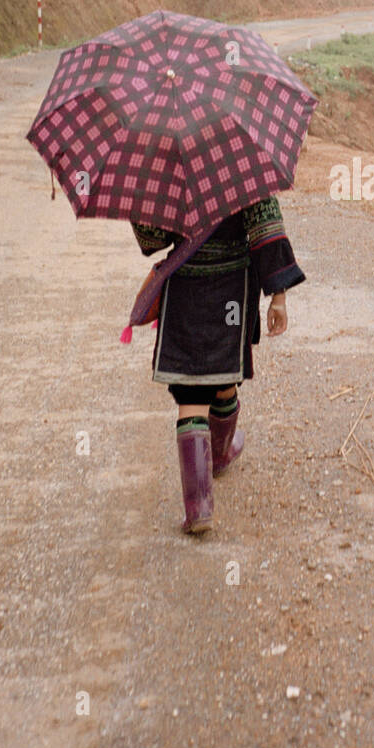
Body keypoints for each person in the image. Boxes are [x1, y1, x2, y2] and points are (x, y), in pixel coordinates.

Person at [132, 197, 305, 533]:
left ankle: (198, 508)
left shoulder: (169, 171)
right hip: (232, 289)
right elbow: (267, 231)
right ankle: (222, 453)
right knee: (226, 375)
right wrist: (279, 297)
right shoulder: (245, 166)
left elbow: (152, 240)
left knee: (190, 394)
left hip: (185, 286)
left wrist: (141, 210)